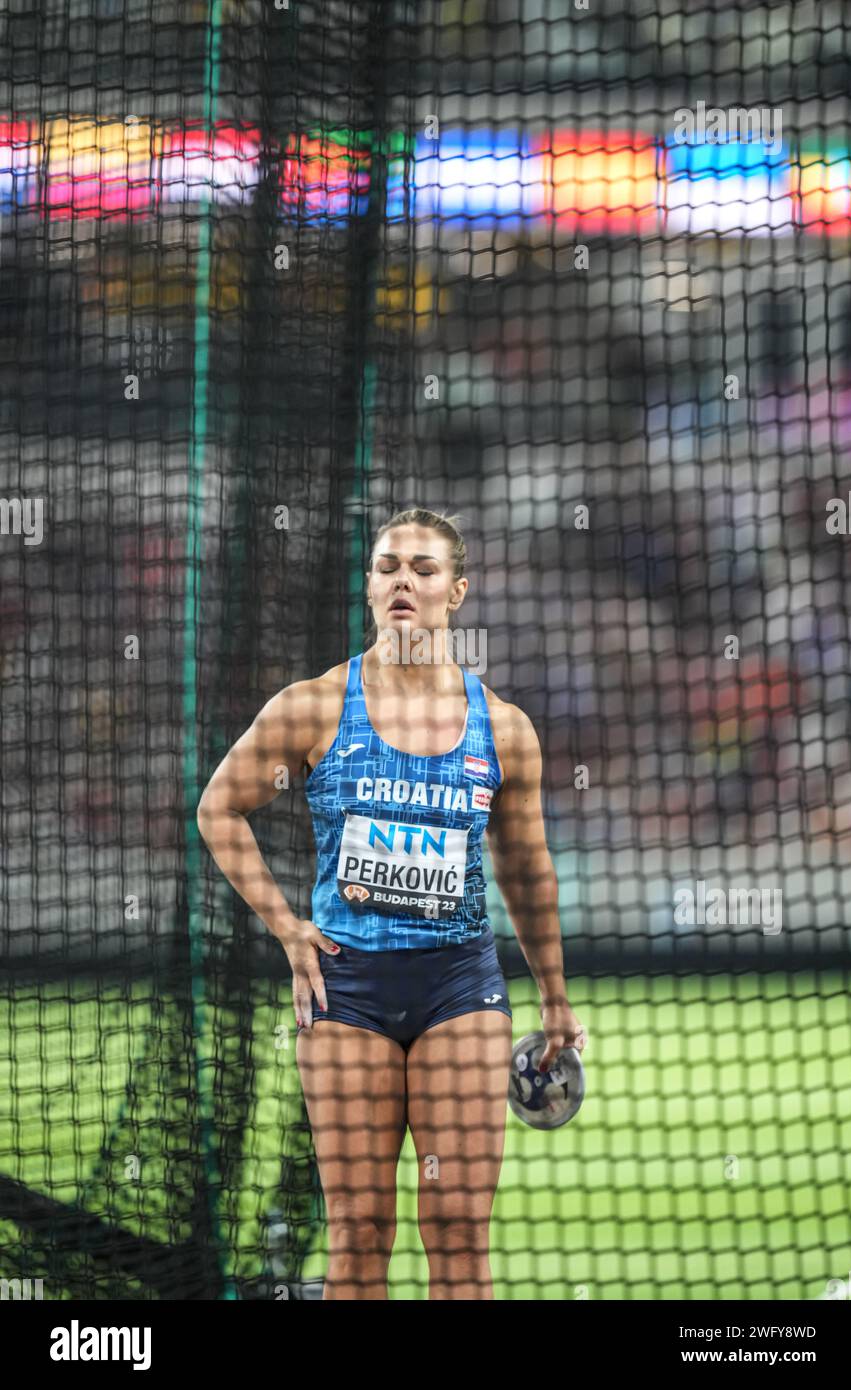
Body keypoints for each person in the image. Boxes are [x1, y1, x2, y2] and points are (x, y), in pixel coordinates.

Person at [197, 507, 587, 1300]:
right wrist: (286, 927)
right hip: (347, 991)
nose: (403, 579)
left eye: (423, 568)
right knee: (360, 1234)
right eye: (387, 567)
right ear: (370, 588)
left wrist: (554, 999)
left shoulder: (504, 730)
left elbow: (526, 870)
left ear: (458, 591)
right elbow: (218, 809)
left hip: (459, 988)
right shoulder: (312, 706)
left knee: (455, 1231)